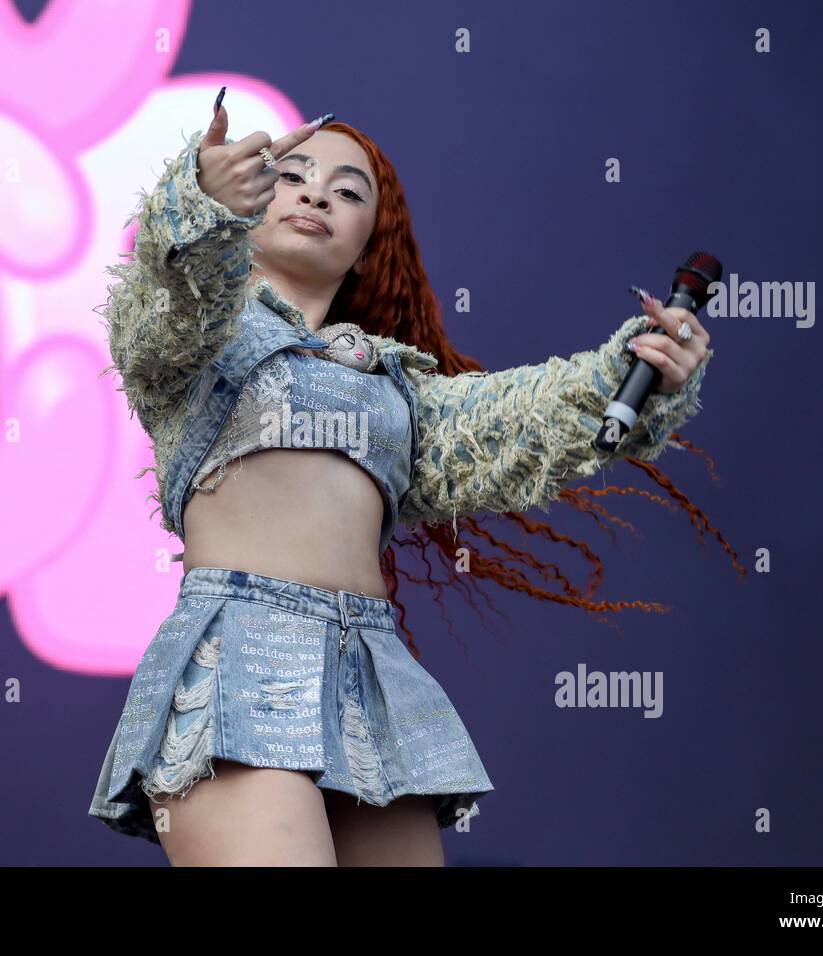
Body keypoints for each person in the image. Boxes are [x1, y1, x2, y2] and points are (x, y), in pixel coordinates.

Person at [89, 88, 716, 866]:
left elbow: (523, 420)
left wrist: (642, 367)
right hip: (239, 659)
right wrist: (199, 209)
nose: (318, 192)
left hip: (370, 672)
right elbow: (166, 306)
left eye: (350, 191)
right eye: (292, 175)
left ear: (370, 242)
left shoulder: (394, 384)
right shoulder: (198, 340)